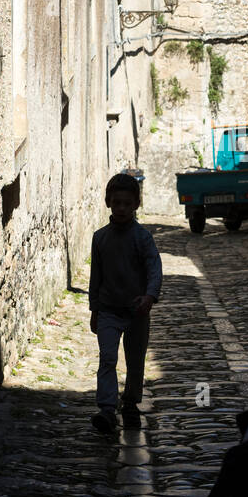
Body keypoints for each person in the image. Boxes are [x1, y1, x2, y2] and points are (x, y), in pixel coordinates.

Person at [88, 173, 162, 434]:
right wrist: (94, 309)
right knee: (107, 358)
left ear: (136, 205)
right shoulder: (100, 238)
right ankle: (107, 409)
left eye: (126, 203)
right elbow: (95, 277)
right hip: (108, 309)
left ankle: (130, 402)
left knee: (135, 360)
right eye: (116, 202)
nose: (121, 208)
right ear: (108, 202)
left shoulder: (142, 238)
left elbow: (154, 268)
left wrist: (149, 296)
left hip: (136, 312)